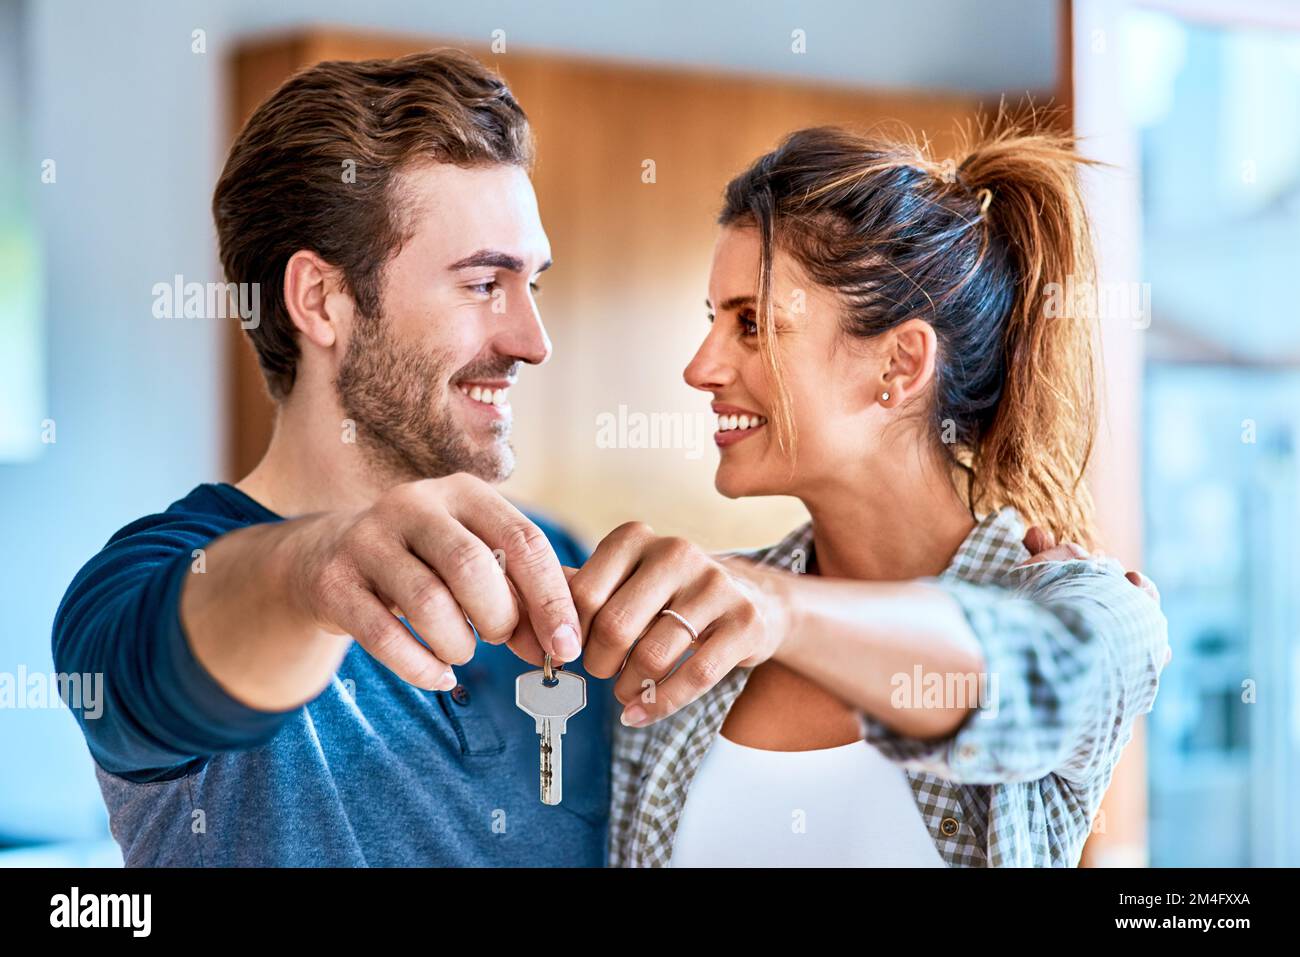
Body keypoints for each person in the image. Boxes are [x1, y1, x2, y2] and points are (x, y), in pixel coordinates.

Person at [54, 49, 1155, 868]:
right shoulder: (157, 583)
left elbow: (1032, 671)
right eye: (484, 284)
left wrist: (1046, 617)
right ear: (322, 300)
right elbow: (184, 663)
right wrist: (312, 569)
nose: (533, 338)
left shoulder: (571, 579)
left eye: (534, 282)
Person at [573, 122, 1170, 867]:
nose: (700, 367)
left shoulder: (1089, 608)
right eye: (713, 321)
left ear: (898, 363)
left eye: (751, 323)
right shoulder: (688, 637)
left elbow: (1035, 680)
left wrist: (779, 608)